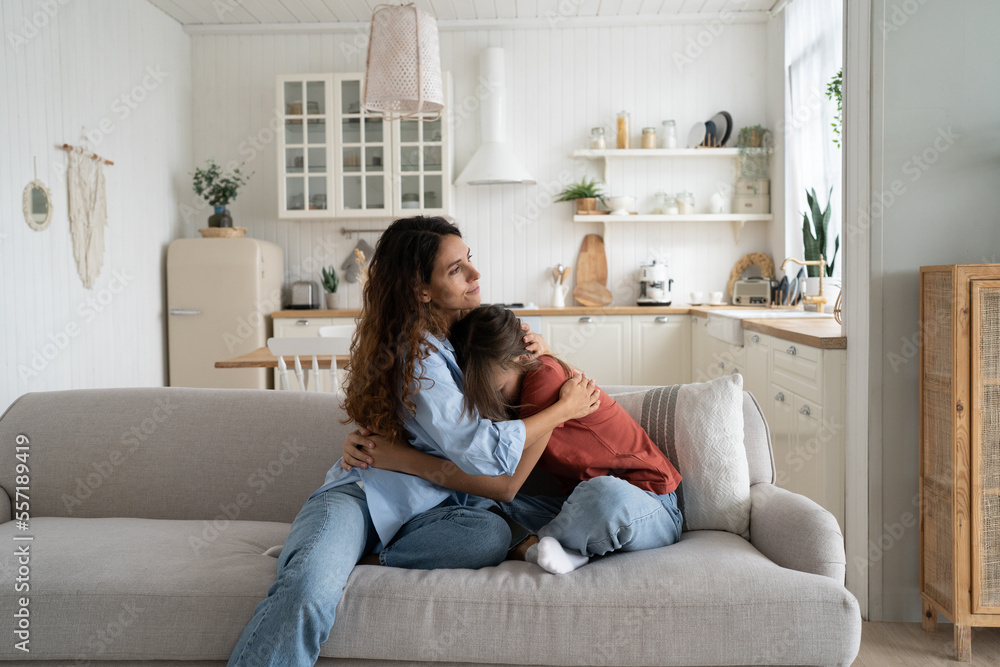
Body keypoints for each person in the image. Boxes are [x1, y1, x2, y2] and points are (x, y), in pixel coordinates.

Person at [228, 218, 600, 666]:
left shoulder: (456, 334)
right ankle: (322, 553)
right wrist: (561, 411)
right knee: (308, 588)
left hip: (433, 509)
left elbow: (502, 383)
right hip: (362, 494)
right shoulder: (418, 355)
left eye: (470, 261)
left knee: (489, 533)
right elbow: (480, 446)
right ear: (421, 289)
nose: (475, 276)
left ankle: (362, 555)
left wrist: (536, 348)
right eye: (456, 269)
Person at [343, 304, 684, 575]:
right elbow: (486, 463)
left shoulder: (543, 382)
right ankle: (546, 545)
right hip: (569, 505)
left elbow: (505, 484)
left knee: (603, 496)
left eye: (498, 390)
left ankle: (535, 546)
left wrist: (401, 459)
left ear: (524, 359)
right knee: (468, 500)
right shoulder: (520, 379)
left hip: (650, 503)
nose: (498, 406)